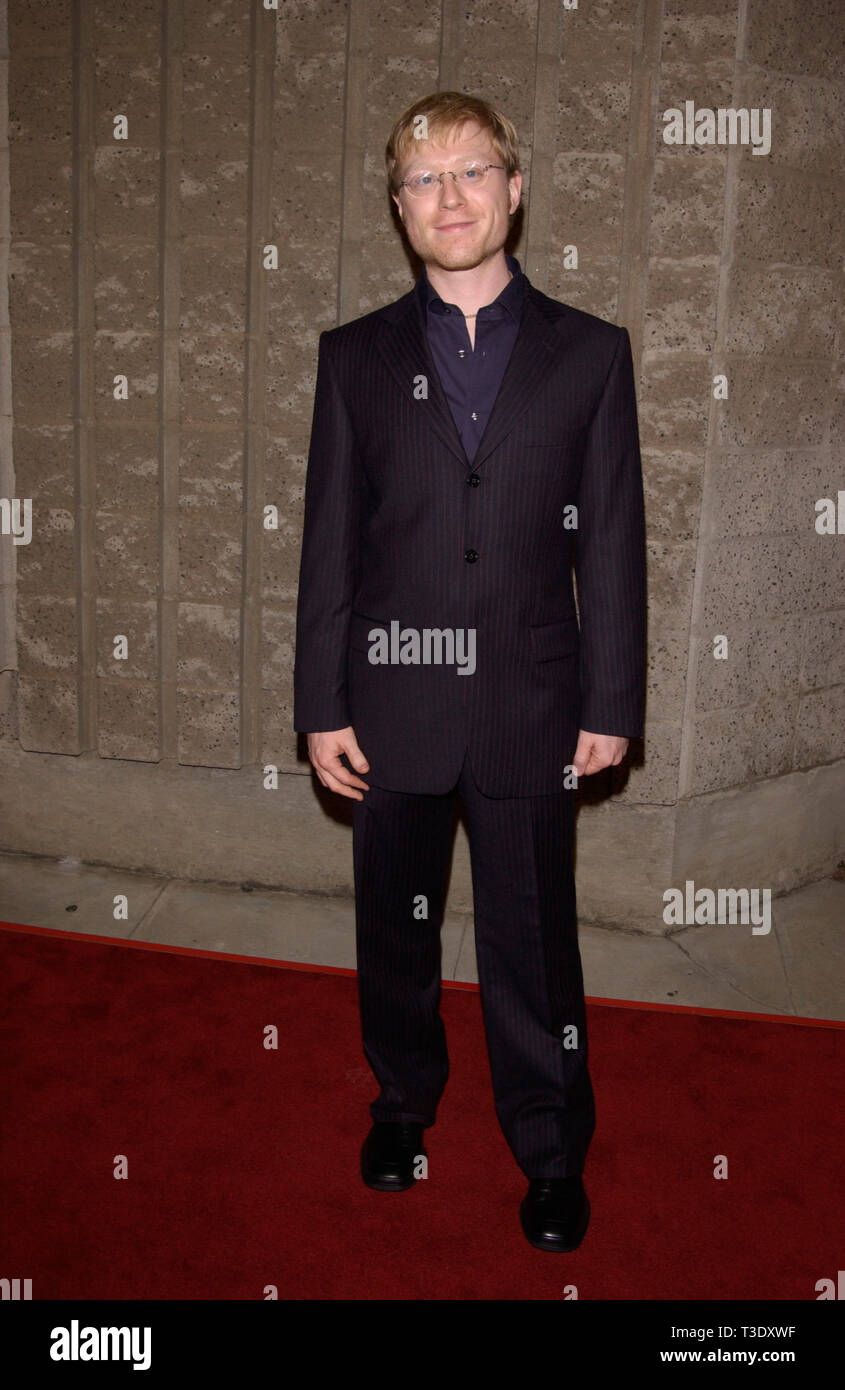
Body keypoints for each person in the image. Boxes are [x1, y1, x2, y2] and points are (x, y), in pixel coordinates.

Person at [293, 91, 646, 1252]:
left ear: (514, 185)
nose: (448, 197)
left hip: (530, 703)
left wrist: (610, 701)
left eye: (470, 172)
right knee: (395, 930)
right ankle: (401, 1106)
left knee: (531, 942)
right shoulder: (352, 359)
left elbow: (611, 540)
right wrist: (318, 705)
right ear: (397, 208)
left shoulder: (591, 355)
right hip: (389, 699)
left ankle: (549, 1151)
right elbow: (330, 542)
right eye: (422, 179)